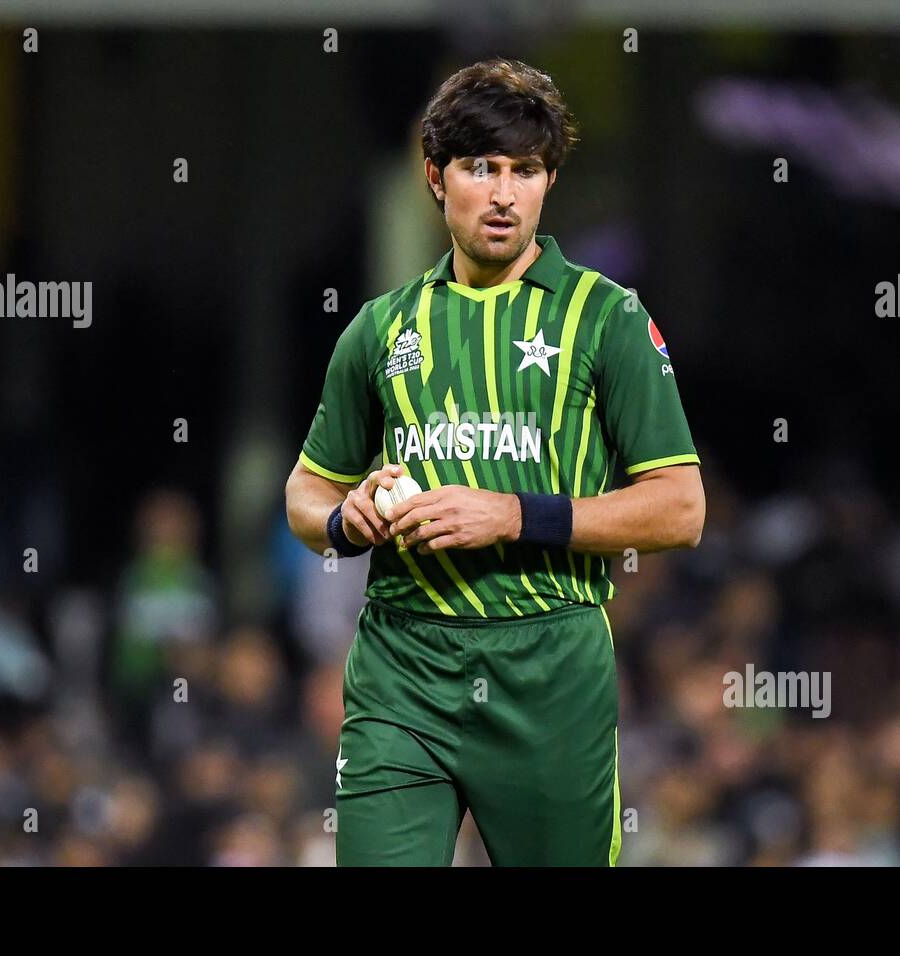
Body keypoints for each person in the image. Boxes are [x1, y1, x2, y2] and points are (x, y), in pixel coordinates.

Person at [284, 57, 705, 866]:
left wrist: (514, 514)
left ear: (549, 182)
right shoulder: (379, 329)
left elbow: (681, 509)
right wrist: (345, 518)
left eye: (527, 170)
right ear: (436, 177)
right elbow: (308, 489)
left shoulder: (606, 318)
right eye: (482, 168)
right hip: (403, 665)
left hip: (548, 670)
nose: (505, 193)